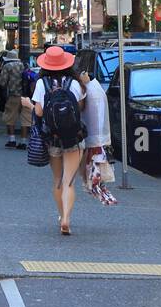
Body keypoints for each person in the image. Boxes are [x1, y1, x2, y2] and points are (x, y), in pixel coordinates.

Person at [22, 46, 86, 235]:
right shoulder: (75, 84)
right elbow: (80, 108)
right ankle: (67, 218)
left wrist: (28, 105)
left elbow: (39, 112)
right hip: (74, 138)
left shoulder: (42, 84)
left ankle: (61, 216)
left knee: (57, 179)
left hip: (52, 138)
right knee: (69, 181)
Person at [74, 51, 117, 207]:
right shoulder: (95, 89)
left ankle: (64, 217)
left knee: (65, 180)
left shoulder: (91, 91)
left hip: (88, 140)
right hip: (92, 139)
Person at [0, 51, 29, 148]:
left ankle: (12, 140)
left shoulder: (8, 66)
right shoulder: (24, 65)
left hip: (13, 95)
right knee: (25, 120)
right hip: (26, 97)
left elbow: (2, 82)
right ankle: (23, 142)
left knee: (10, 117)